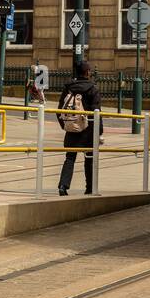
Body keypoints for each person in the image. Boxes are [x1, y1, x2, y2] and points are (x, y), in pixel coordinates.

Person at [57, 60, 101, 196]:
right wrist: (99, 132)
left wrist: (66, 125)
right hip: (88, 130)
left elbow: (60, 110)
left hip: (72, 129)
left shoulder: (68, 87)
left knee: (70, 158)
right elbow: (97, 112)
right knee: (89, 158)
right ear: (88, 72)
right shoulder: (93, 88)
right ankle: (89, 188)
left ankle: (63, 186)